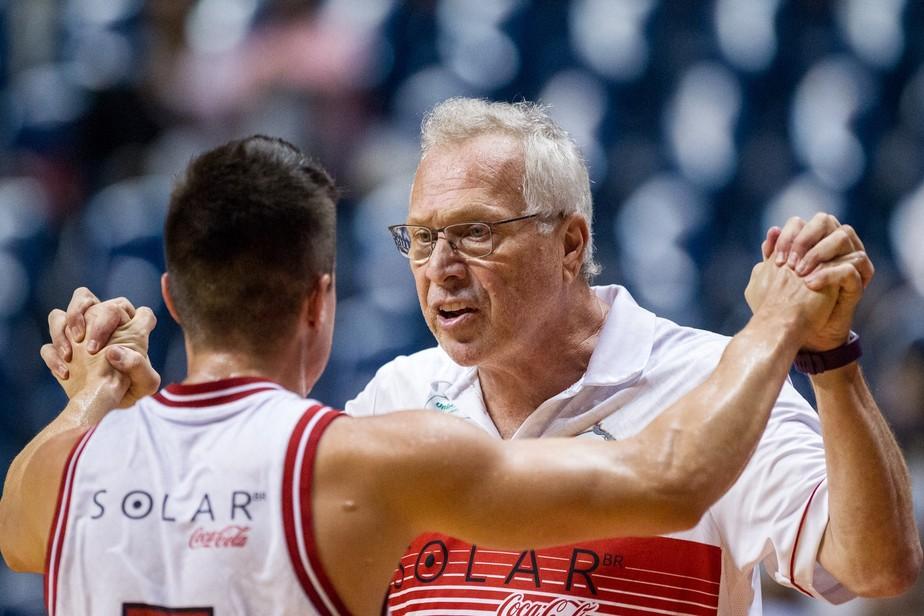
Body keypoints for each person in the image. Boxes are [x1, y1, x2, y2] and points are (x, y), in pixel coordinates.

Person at [35, 99, 922, 614]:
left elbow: (876, 568)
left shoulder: (711, 382)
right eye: (418, 239)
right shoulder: (398, 396)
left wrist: (832, 360)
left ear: (571, 243)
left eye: (474, 233)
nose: (439, 269)